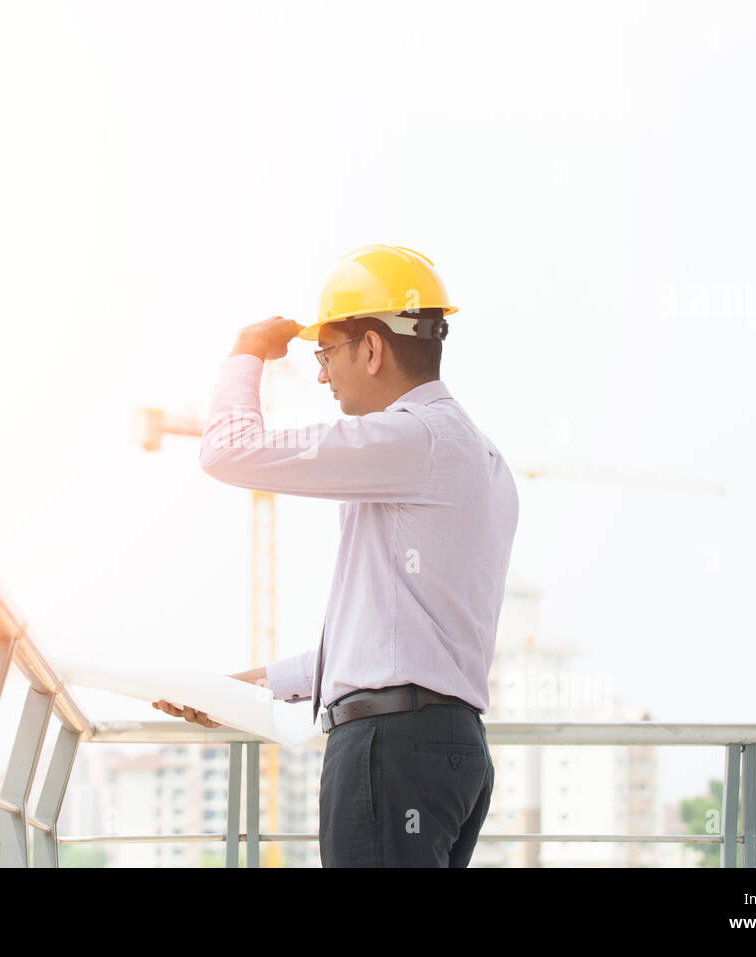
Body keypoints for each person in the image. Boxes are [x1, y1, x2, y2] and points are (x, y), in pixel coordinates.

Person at [154, 244, 519, 867]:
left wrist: (246, 349)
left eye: (326, 354)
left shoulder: (412, 438)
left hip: (392, 750)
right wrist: (247, 688)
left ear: (372, 348)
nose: (321, 376)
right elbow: (393, 640)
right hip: (450, 749)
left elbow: (228, 451)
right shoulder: (483, 459)